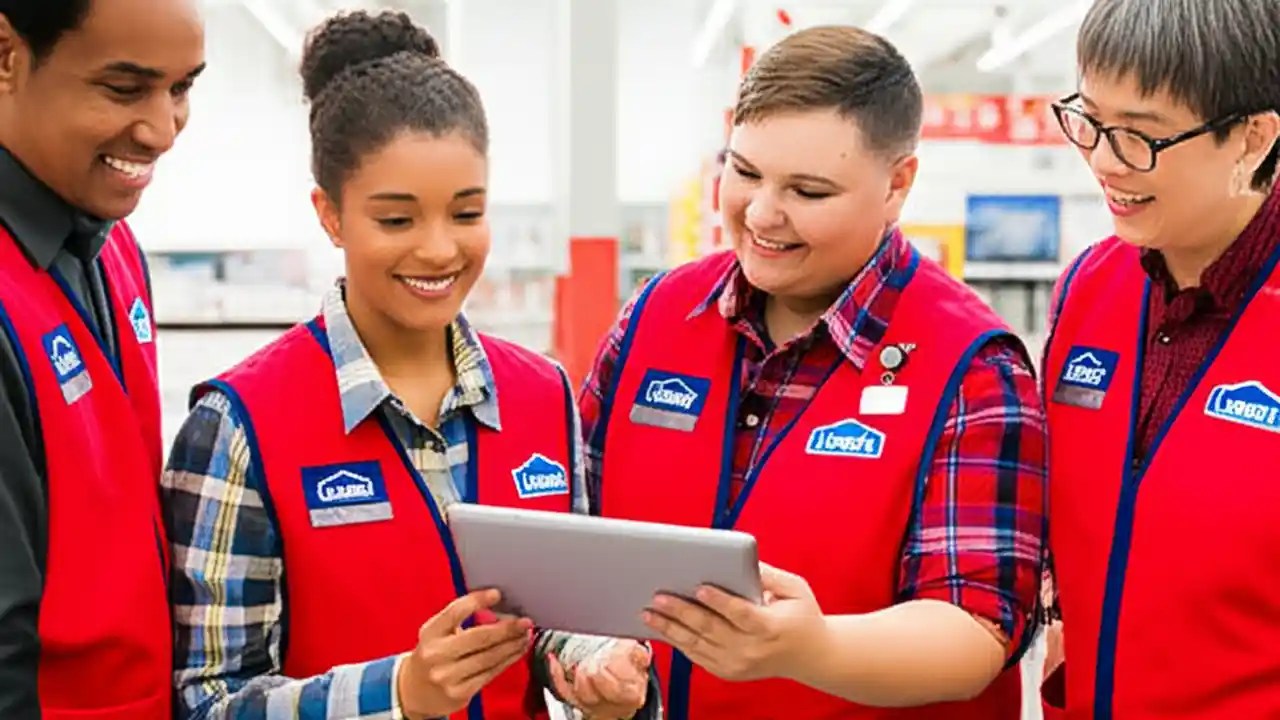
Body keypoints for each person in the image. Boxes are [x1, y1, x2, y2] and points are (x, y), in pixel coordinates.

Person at [161, 10, 654, 720]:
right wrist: (396, 694)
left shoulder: (543, 395)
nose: (437, 250)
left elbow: (553, 619)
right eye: (396, 220)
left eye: (466, 213)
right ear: (329, 215)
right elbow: (206, 701)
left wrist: (596, 668)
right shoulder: (238, 428)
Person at [579, 24, 1048, 720]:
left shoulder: (974, 370)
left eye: (809, 191)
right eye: (743, 172)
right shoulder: (654, 318)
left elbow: (976, 626)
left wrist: (812, 649)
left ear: (897, 184)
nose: (763, 215)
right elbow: (573, 532)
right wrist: (583, 655)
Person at [1039, 0, 1280, 717]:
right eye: (1090, 119)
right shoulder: (1089, 288)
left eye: (1140, 138)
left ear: (1251, 137)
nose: (1104, 162)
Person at [0, 0, 204, 717]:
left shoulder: (113, 249)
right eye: (124, 89)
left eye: (182, 88)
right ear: (6, 57)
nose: (162, 130)